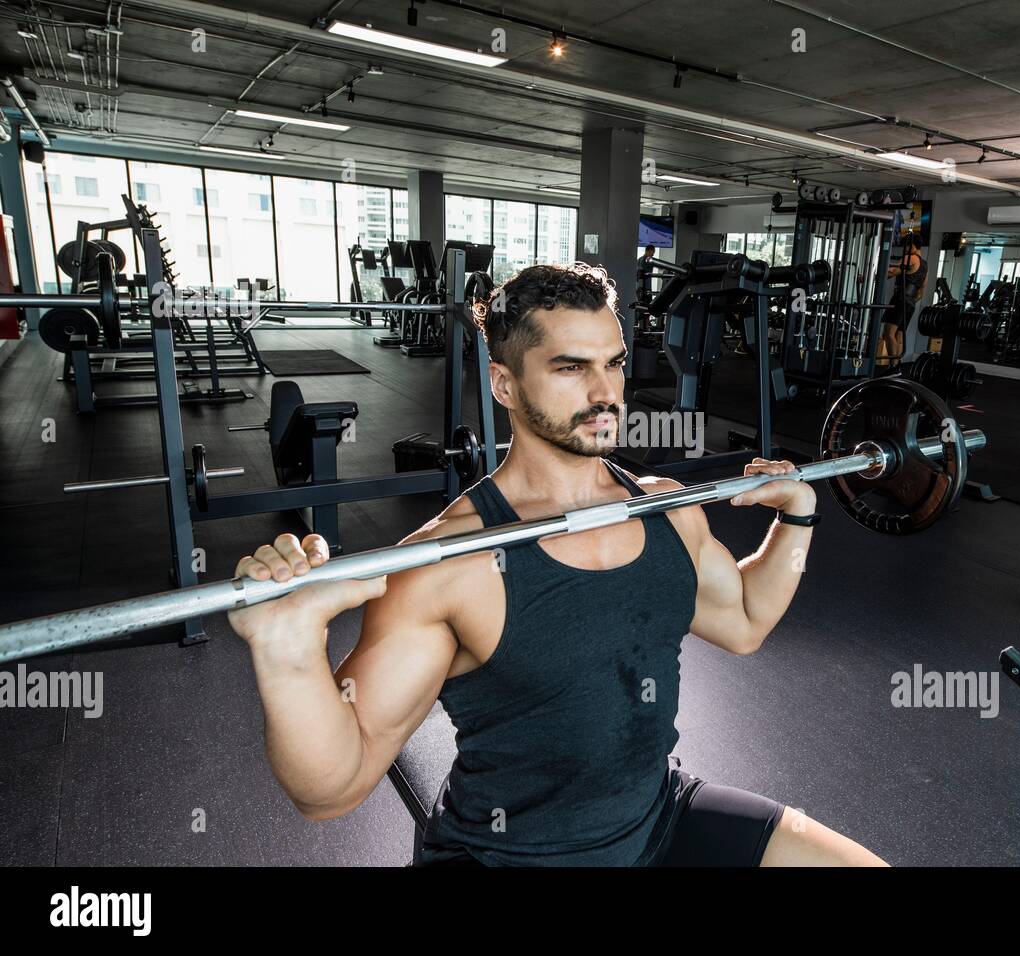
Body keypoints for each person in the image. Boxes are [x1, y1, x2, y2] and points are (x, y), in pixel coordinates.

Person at [227, 263, 887, 868]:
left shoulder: (668, 511)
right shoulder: (447, 562)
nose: (606, 393)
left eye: (615, 364)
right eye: (571, 368)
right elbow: (333, 787)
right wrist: (289, 655)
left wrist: (797, 514)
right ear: (504, 383)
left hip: (656, 818)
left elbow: (744, 620)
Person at [879, 233, 928, 366]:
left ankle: (893, 366)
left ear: (911, 246)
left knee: (888, 334)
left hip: (900, 299)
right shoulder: (924, 264)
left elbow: (892, 271)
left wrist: (870, 277)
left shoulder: (910, 258)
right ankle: (897, 367)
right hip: (910, 302)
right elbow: (921, 291)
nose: (904, 250)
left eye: (905, 247)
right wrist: (909, 301)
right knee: (899, 337)